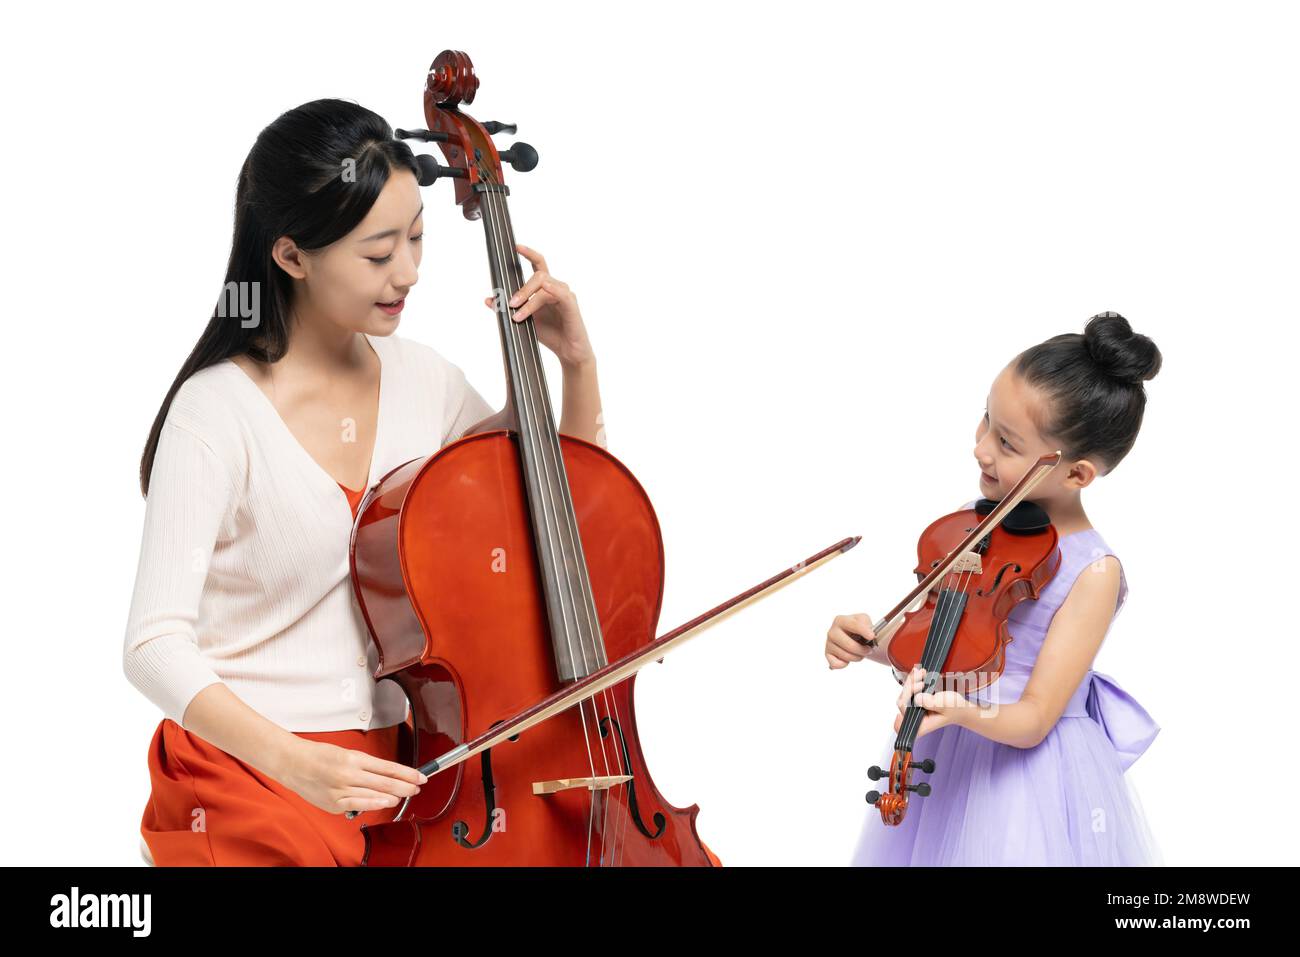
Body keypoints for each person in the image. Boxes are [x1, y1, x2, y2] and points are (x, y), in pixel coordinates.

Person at [124, 97, 723, 867]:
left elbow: (556, 516)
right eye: (378, 254)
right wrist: (297, 763)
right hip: (253, 774)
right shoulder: (215, 413)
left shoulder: (425, 382)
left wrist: (575, 366)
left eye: (416, 238)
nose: (407, 272)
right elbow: (151, 644)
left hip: (414, 778)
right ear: (291, 256)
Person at [825, 311, 1164, 866]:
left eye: (1006, 443)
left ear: (1076, 474)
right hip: (950, 746)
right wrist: (870, 642)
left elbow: (1034, 718)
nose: (981, 448)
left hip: (1025, 779)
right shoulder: (969, 524)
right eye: (985, 421)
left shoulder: (1093, 571)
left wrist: (961, 712)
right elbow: (933, 641)